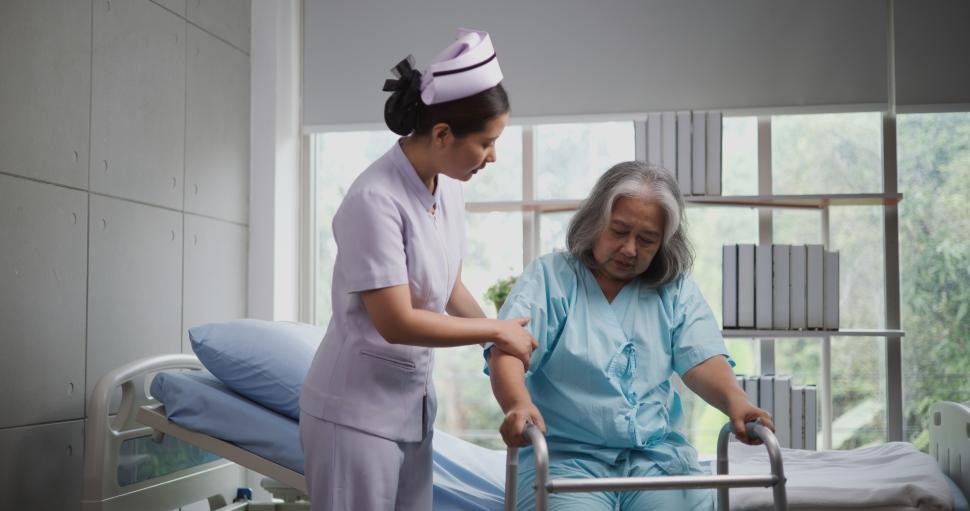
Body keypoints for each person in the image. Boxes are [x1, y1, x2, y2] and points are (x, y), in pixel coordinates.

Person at [299, 29, 537, 511]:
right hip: (354, 415)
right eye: (487, 143)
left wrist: (499, 338)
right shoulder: (374, 199)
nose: (493, 157)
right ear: (443, 134)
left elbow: (448, 285)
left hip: (409, 409)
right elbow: (396, 320)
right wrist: (492, 331)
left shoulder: (447, 187)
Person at [486, 161, 774, 510]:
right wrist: (517, 403)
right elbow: (509, 350)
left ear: (664, 243)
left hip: (655, 460)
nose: (630, 249)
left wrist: (736, 402)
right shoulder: (551, 278)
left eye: (647, 240)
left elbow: (701, 357)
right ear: (594, 223)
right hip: (566, 458)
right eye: (619, 231)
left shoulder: (674, 289)